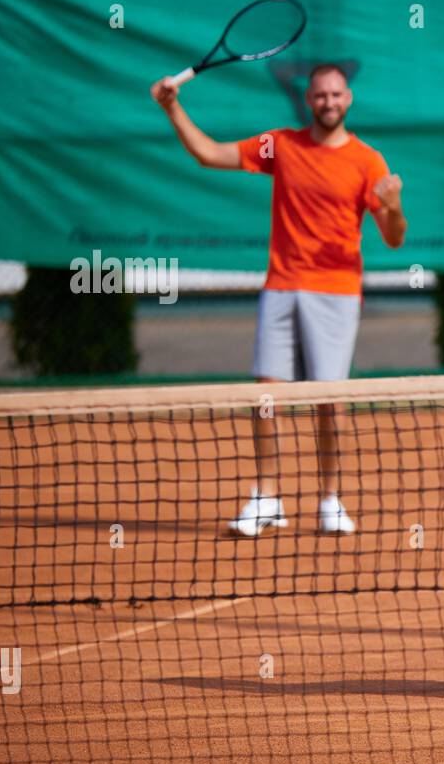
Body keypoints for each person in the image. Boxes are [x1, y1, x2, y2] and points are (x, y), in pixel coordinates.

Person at [150, 64, 407, 536]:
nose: (328, 102)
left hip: (336, 293)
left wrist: (392, 206)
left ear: (348, 100)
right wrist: (172, 107)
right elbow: (209, 154)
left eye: (336, 94)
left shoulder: (369, 161)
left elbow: (393, 239)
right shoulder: (280, 145)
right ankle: (267, 497)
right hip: (281, 287)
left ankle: (330, 499)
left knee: (330, 403)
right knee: (266, 397)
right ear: (308, 101)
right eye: (320, 95)